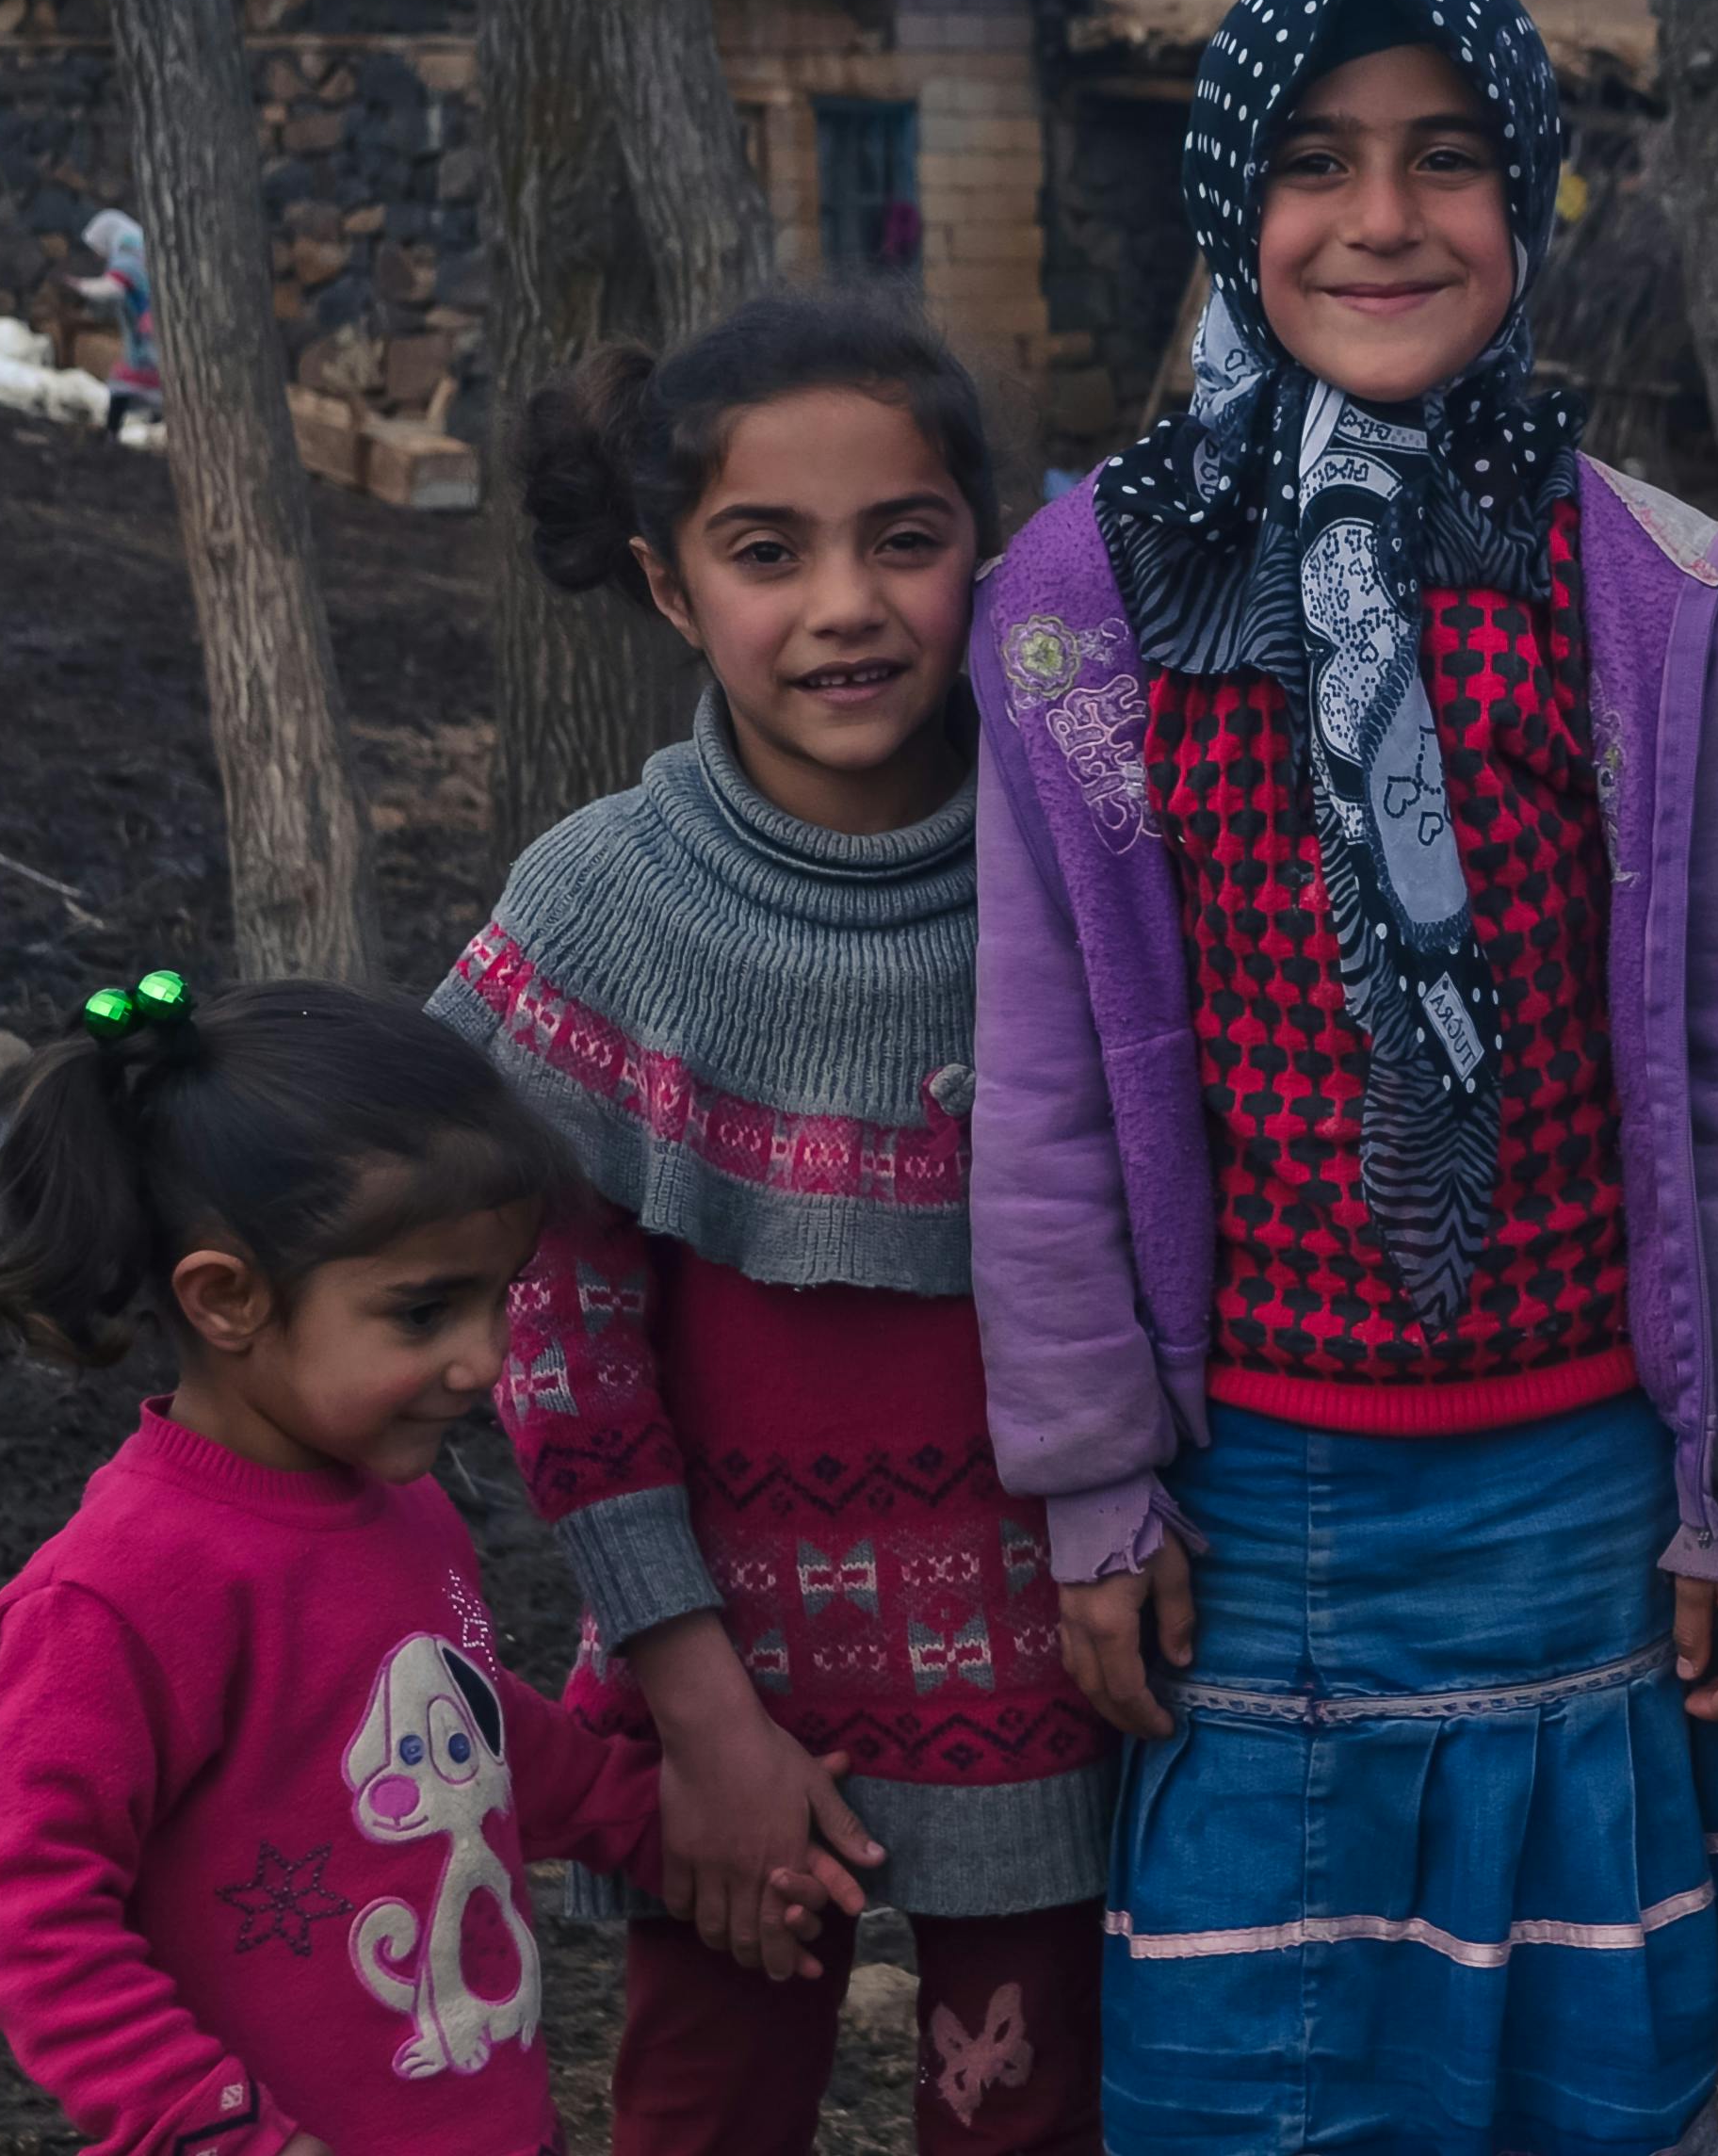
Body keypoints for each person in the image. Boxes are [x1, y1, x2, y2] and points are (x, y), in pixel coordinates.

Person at [963, 0, 1718, 2156]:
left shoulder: (1647, 597)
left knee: (1568, 2078)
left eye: (1447, 158)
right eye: (1316, 161)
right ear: (1226, 210)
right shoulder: (1088, 606)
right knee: (1265, 2084)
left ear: (1530, 203)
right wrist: (1088, 1485)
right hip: (1250, 1497)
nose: (1382, 217)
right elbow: (1050, 1077)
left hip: (1578, 1491)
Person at [443, 290, 1112, 2155]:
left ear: (989, 546)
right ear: (668, 590)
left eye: (907, 539)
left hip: (1054, 1686)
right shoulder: (602, 907)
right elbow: (556, 1341)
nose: (845, 604)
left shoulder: (1086, 879)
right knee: (702, 2115)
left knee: (1027, 2110)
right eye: (767, 551)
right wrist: (701, 1712)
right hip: (730, 1695)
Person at [0, 972, 722, 2156]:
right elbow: (31, 1912)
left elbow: (466, 1724)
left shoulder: (398, 1511)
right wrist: (206, 2125)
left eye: (500, 1298)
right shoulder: (111, 1601)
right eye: (424, 1313)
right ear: (227, 1300)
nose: (484, 1358)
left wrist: (666, 1820)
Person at [72, 210, 159, 437]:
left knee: (129, 380)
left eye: (97, 247)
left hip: (149, 329)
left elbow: (115, 285)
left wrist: (80, 286)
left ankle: (113, 433)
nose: (98, 255)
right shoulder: (139, 242)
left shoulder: (127, 248)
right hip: (150, 326)